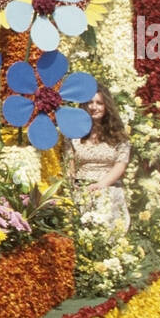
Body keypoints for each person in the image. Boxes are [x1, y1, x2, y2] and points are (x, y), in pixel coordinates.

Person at [69, 83, 131, 230]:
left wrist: (100, 185)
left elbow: (120, 164)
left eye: (99, 103)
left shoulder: (119, 135)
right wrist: (72, 187)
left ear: (106, 106)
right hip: (81, 190)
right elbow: (69, 163)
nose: (94, 107)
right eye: (90, 102)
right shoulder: (73, 134)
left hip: (108, 189)